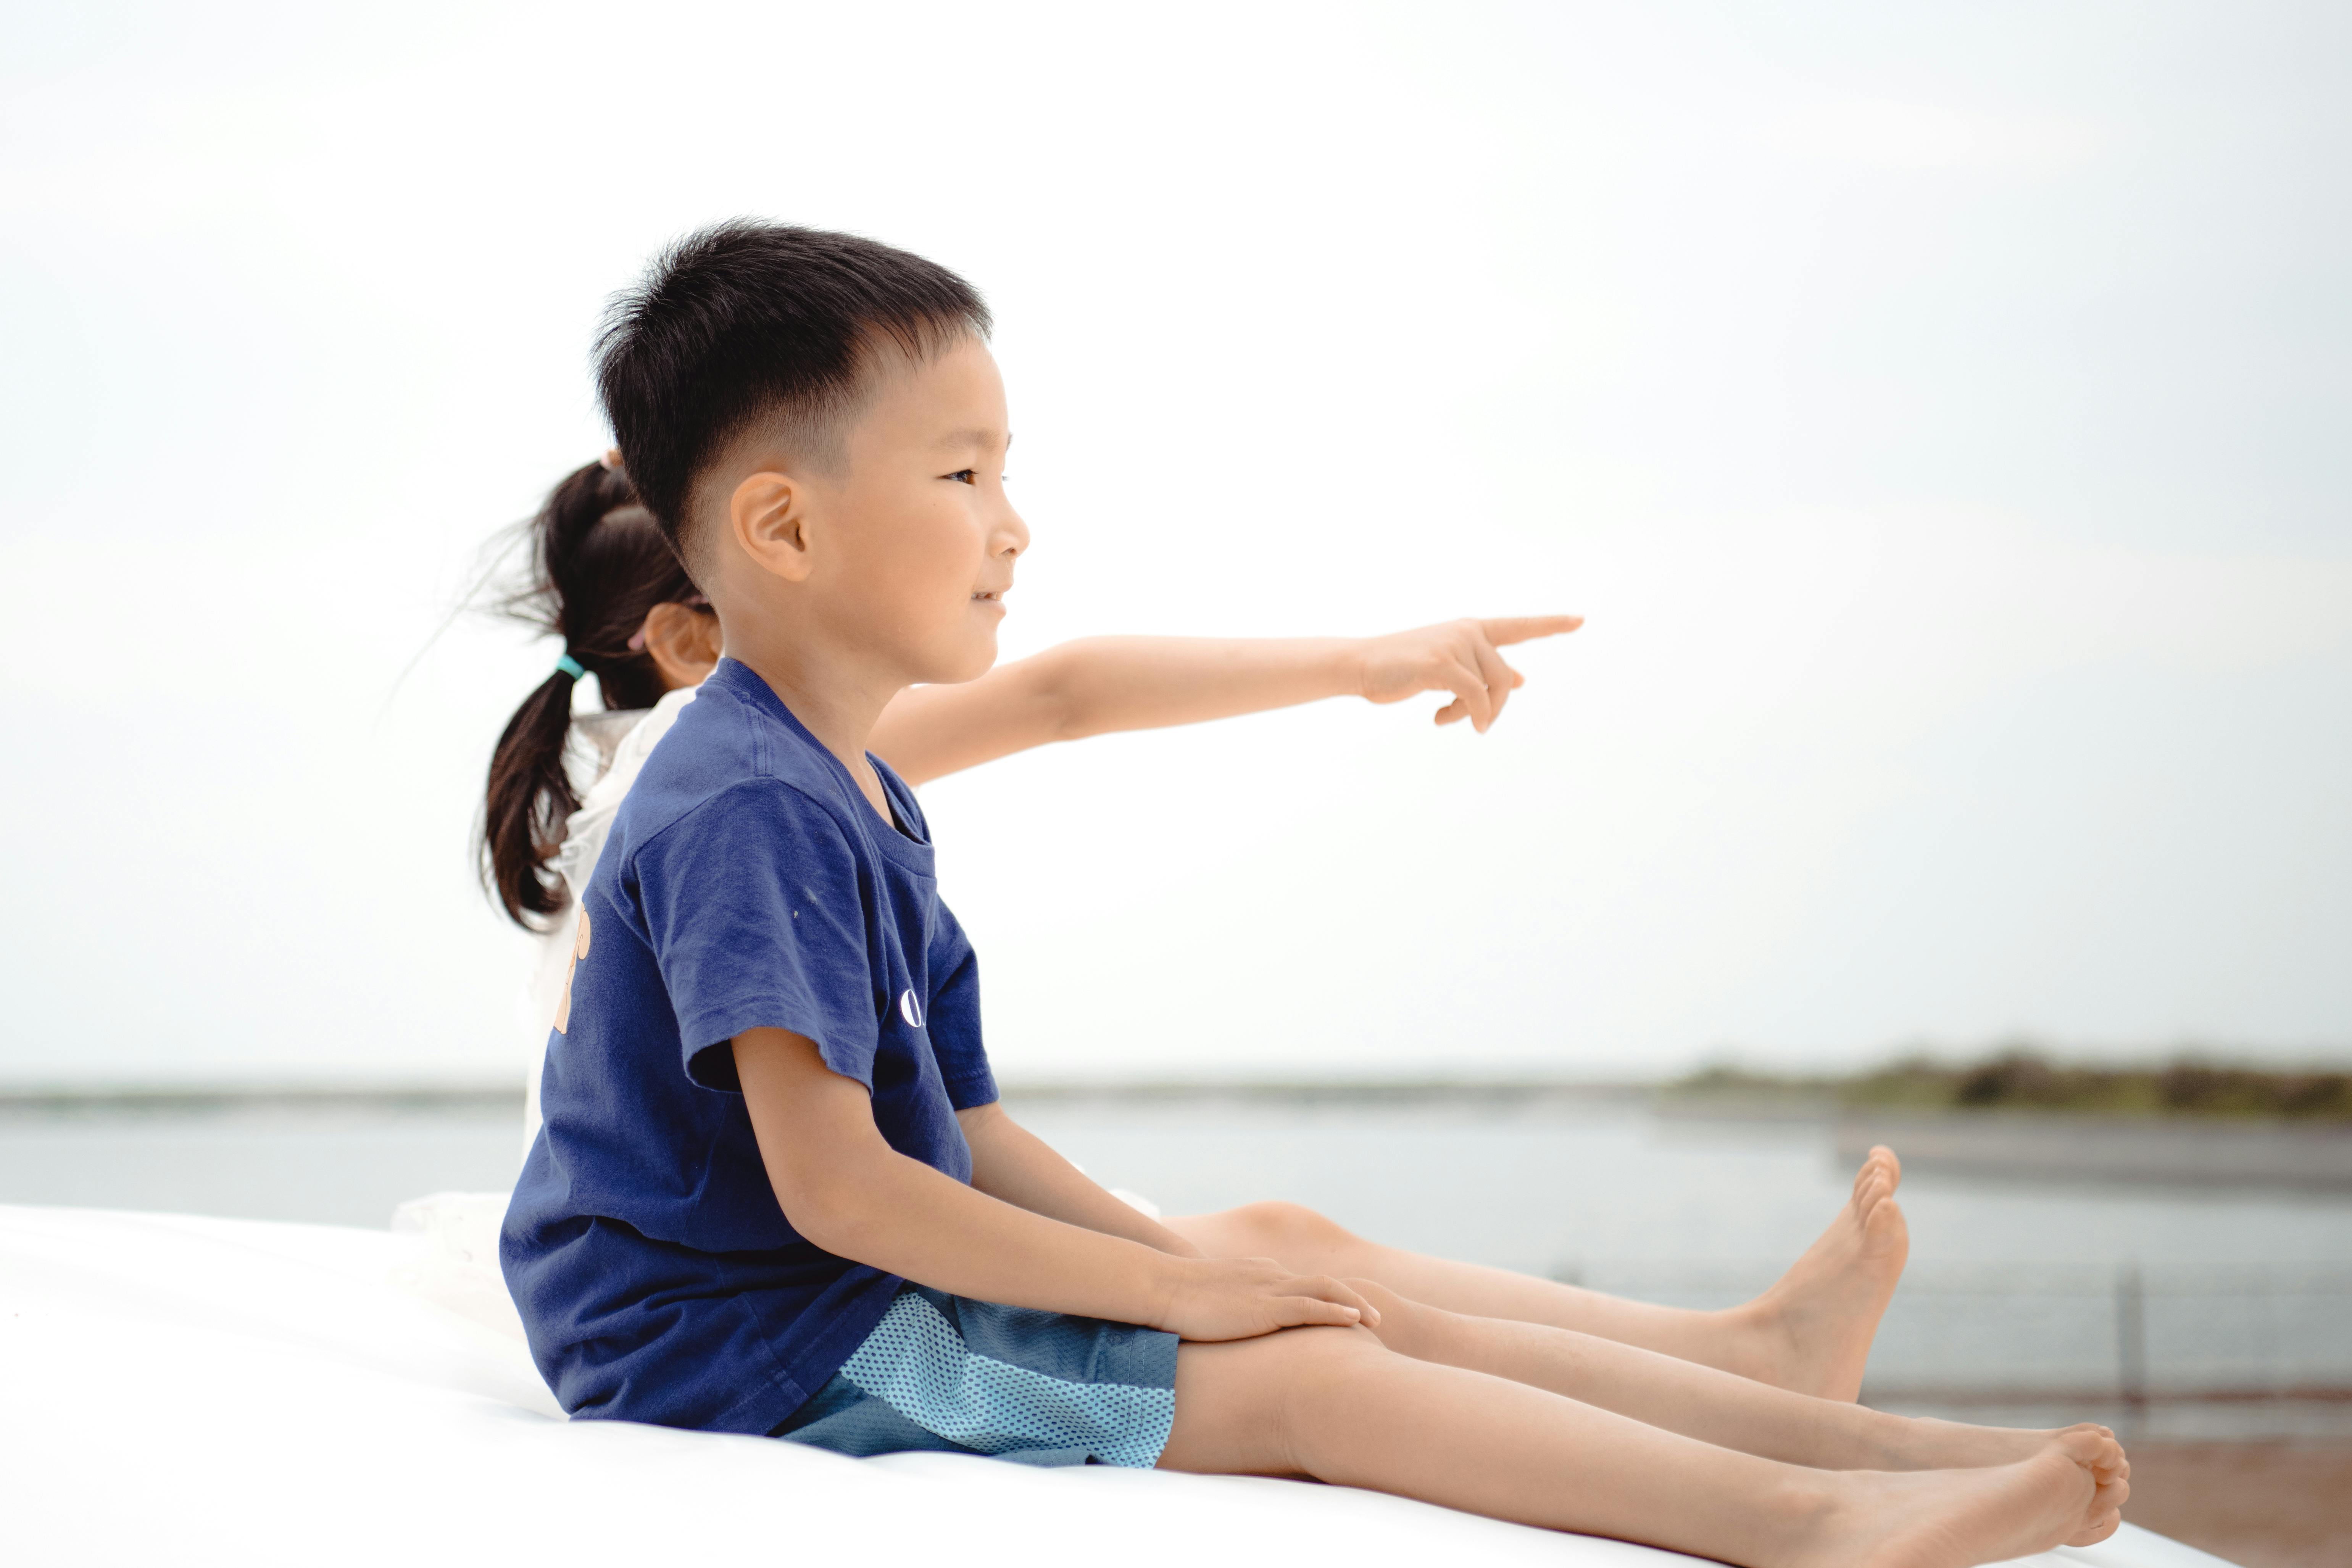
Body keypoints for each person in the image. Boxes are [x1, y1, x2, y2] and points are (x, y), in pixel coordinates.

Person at [502, 222, 2128, 1565]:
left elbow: (967, 1131)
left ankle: (1857, 1432)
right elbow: (841, 1194)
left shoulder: (845, 778)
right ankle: (1806, 1517)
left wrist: (1175, 1260)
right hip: (748, 1345)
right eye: (961, 475)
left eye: (1005, 468)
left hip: (793, 1292)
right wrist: (1173, 1290)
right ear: (782, 525)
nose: (1014, 522)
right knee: (1308, 1376)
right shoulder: (745, 807)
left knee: (1288, 1278)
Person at [480, 459, 1582, 1147]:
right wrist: (1355, 662)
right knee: (1275, 1258)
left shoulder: (622, 769)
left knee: (1277, 1242)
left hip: (713, 1246)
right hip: (766, 1282)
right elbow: (1063, 695)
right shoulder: (716, 752)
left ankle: (1736, 1355)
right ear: (685, 645)